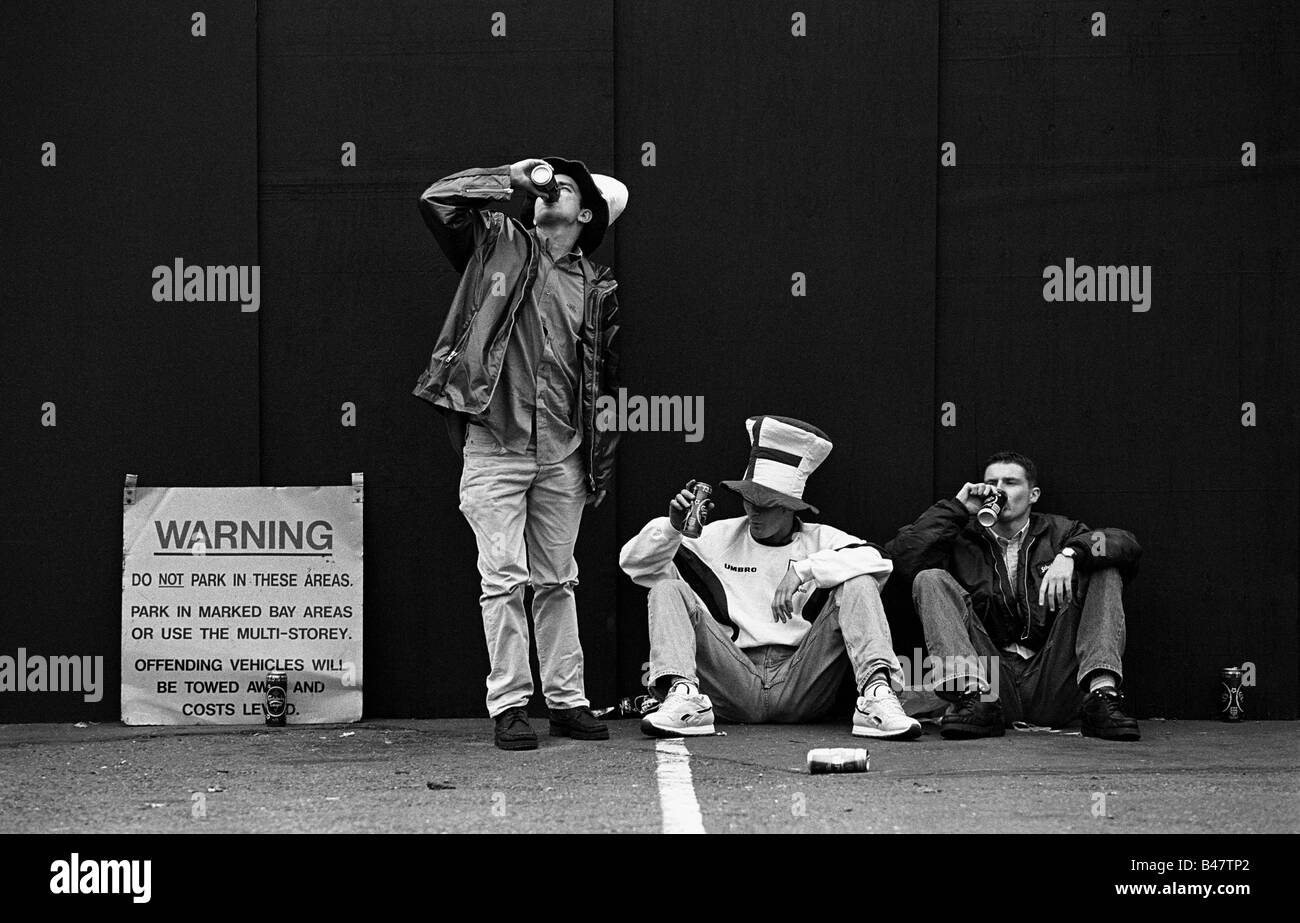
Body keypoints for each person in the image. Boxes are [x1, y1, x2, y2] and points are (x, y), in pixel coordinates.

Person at [414, 156, 628, 751]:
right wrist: (510, 175)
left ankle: (566, 702)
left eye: (562, 187)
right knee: (502, 579)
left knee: (558, 579)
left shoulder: (597, 285)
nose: (546, 189)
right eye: (543, 184)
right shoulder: (499, 243)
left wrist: (596, 463)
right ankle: (509, 704)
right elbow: (439, 196)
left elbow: (601, 383)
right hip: (496, 441)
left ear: (586, 214)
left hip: (564, 450)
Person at [619, 415, 921, 740]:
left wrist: (804, 571)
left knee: (859, 579)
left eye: (767, 504)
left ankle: (877, 698)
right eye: (749, 499)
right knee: (667, 587)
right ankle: (683, 698)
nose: (754, 512)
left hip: (801, 680)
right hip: (734, 678)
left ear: (791, 508)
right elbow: (636, 565)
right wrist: (671, 527)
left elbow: (880, 562)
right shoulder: (717, 535)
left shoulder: (821, 540)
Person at [885, 451, 1142, 741]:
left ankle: (1103, 694)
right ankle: (971, 694)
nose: (999, 490)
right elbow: (901, 559)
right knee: (930, 578)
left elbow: (1125, 544)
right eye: (992, 482)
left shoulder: (1061, 532)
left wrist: (1071, 554)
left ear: (1033, 494)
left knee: (1105, 569)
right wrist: (957, 508)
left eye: (1010, 482)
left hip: (1052, 677)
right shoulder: (961, 538)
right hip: (990, 681)